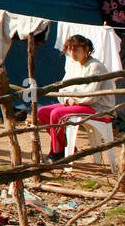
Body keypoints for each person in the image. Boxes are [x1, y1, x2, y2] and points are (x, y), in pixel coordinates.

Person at [36, 33, 115, 163]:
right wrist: (68, 99)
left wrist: (74, 99)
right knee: (43, 112)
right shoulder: (73, 66)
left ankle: (57, 152)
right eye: (71, 50)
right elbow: (63, 89)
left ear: (86, 49)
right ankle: (65, 146)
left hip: (97, 108)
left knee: (57, 113)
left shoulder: (95, 67)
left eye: (77, 50)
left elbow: (91, 96)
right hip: (76, 104)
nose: (73, 54)